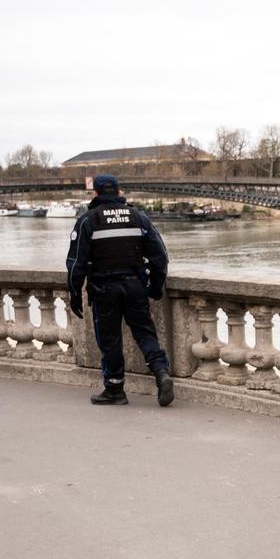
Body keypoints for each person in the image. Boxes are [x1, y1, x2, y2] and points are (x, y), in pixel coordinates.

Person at [65, 174, 174, 407]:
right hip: (135, 285)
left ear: (95, 193)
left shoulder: (88, 220)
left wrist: (74, 294)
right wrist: (155, 287)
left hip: (104, 289)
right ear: (118, 191)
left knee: (110, 339)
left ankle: (115, 389)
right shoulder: (138, 217)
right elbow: (160, 257)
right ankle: (161, 372)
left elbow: (76, 264)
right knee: (145, 333)